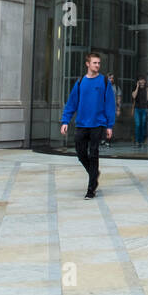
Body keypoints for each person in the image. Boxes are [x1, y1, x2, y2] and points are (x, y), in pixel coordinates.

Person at [60, 52, 116, 199]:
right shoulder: (80, 82)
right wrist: (65, 121)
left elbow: (110, 104)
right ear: (87, 64)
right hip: (82, 124)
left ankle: (91, 188)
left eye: (98, 63)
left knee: (94, 153)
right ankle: (94, 173)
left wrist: (109, 125)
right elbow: (71, 103)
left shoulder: (104, 81)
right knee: (80, 152)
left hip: (98, 124)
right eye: (94, 63)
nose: (97, 65)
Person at [131, 76, 148, 147]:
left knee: (143, 124)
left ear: (145, 81)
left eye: (143, 80)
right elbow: (134, 96)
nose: (142, 82)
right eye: (140, 80)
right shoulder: (135, 88)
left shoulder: (147, 89)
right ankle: (137, 140)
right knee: (138, 124)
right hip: (137, 109)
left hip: (144, 109)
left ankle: (141, 140)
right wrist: (137, 87)